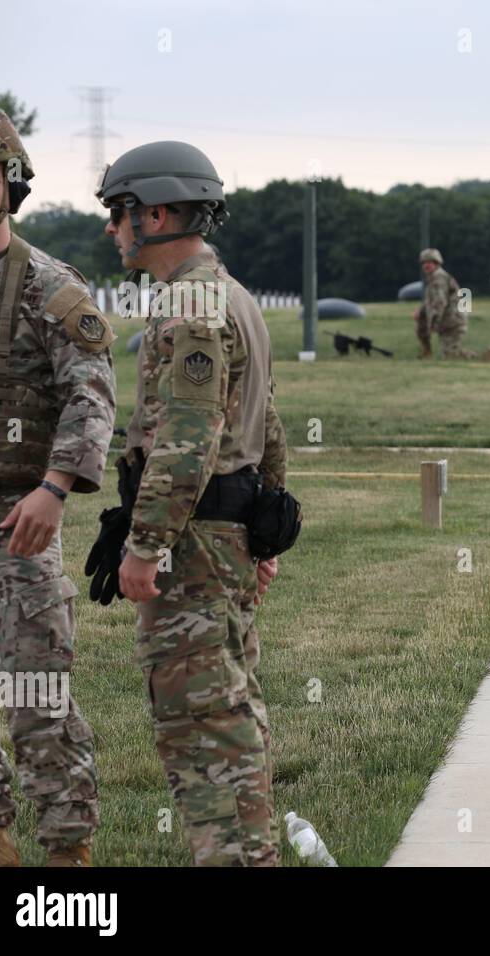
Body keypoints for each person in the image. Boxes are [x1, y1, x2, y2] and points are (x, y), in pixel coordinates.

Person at [97, 140, 286, 866]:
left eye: (120, 213)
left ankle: (234, 857)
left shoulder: (190, 305)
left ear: (160, 213)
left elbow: (187, 433)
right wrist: (264, 532)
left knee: (202, 723)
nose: (113, 229)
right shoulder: (230, 293)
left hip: (195, 544)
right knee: (233, 710)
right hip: (224, 534)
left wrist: (146, 545)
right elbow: (266, 420)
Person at [0, 97, 115, 867]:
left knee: (36, 700)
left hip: (17, 519)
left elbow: (91, 391)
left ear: (11, 183)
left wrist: (55, 488)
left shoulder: (48, 285)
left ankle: (66, 855)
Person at [414, 248, 490, 360]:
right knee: (422, 326)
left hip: (453, 321)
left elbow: (440, 302)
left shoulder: (439, 278)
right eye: (424, 263)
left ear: (437, 263)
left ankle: (481, 357)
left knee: (451, 354)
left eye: (430, 262)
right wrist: (421, 312)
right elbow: (430, 301)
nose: (426, 265)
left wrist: (433, 323)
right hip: (446, 319)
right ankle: (426, 352)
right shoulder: (432, 278)